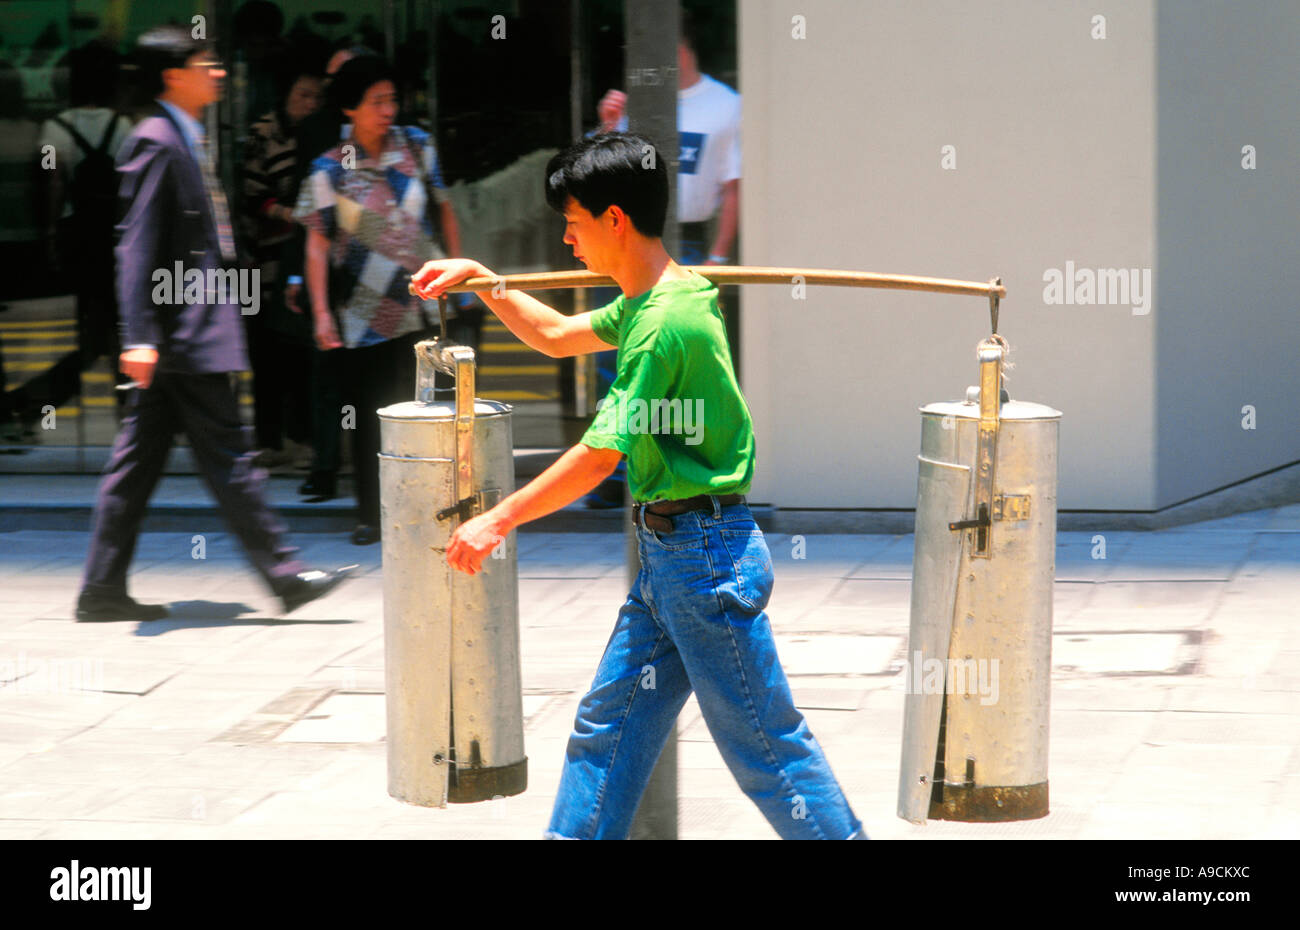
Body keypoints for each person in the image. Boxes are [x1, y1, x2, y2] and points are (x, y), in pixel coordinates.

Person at [411, 133, 864, 840]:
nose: (567, 241)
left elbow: (597, 457)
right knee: (607, 731)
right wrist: (481, 276)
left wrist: (497, 518)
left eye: (574, 224)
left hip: (701, 562)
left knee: (768, 752)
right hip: (675, 560)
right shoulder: (664, 296)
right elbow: (557, 335)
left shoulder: (660, 324)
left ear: (614, 219)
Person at [76, 25, 354, 623]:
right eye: (207, 63)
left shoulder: (183, 135)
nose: (219, 72)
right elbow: (137, 246)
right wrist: (142, 336)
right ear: (174, 75)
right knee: (230, 456)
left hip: (183, 333)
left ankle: (101, 588)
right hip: (181, 335)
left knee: (135, 464)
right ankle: (284, 575)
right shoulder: (158, 140)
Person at [293, 56, 465, 546]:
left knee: (436, 410)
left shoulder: (417, 145)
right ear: (350, 107)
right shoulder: (330, 168)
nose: (389, 110)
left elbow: (444, 208)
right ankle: (373, 513)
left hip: (429, 304)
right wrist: (322, 313)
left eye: (393, 99)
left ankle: (439, 508)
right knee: (372, 417)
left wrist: (461, 270)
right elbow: (317, 244)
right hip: (366, 314)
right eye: (377, 101)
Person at [586, 7, 741, 507]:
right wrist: (607, 127)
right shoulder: (638, 102)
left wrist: (718, 253)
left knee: (669, 371)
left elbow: (734, 186)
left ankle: (667, 476)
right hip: (621, 239)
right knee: (615, 360)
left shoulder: (724, 105)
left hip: (690, 241)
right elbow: (605, 175)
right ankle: (618, 478)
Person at [240, 64, 323, 468]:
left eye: (316, 97)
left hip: (306, 260)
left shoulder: (325, 137)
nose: (309, 104)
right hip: (264, 260)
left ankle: (305, 439)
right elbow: (251, 197)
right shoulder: (265, 133)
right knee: (266, 354)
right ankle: (269, 441)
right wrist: (293, 215)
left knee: (301, 354)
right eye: (302, 95)